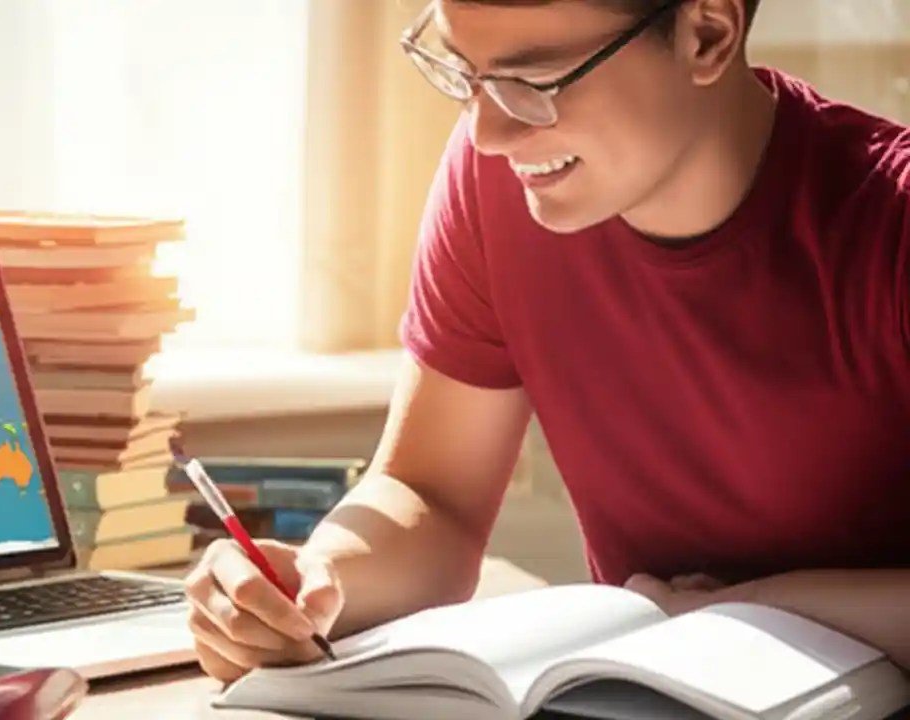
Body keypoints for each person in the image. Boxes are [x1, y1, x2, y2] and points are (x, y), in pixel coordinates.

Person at [183, 0, 910, 683]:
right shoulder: (500, 185)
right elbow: (433, 497)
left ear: (707, 34)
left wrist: (713, 614)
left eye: (533, 82)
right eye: (463, 73)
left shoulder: (891, 220)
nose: (486, 135)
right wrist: (319, 583)